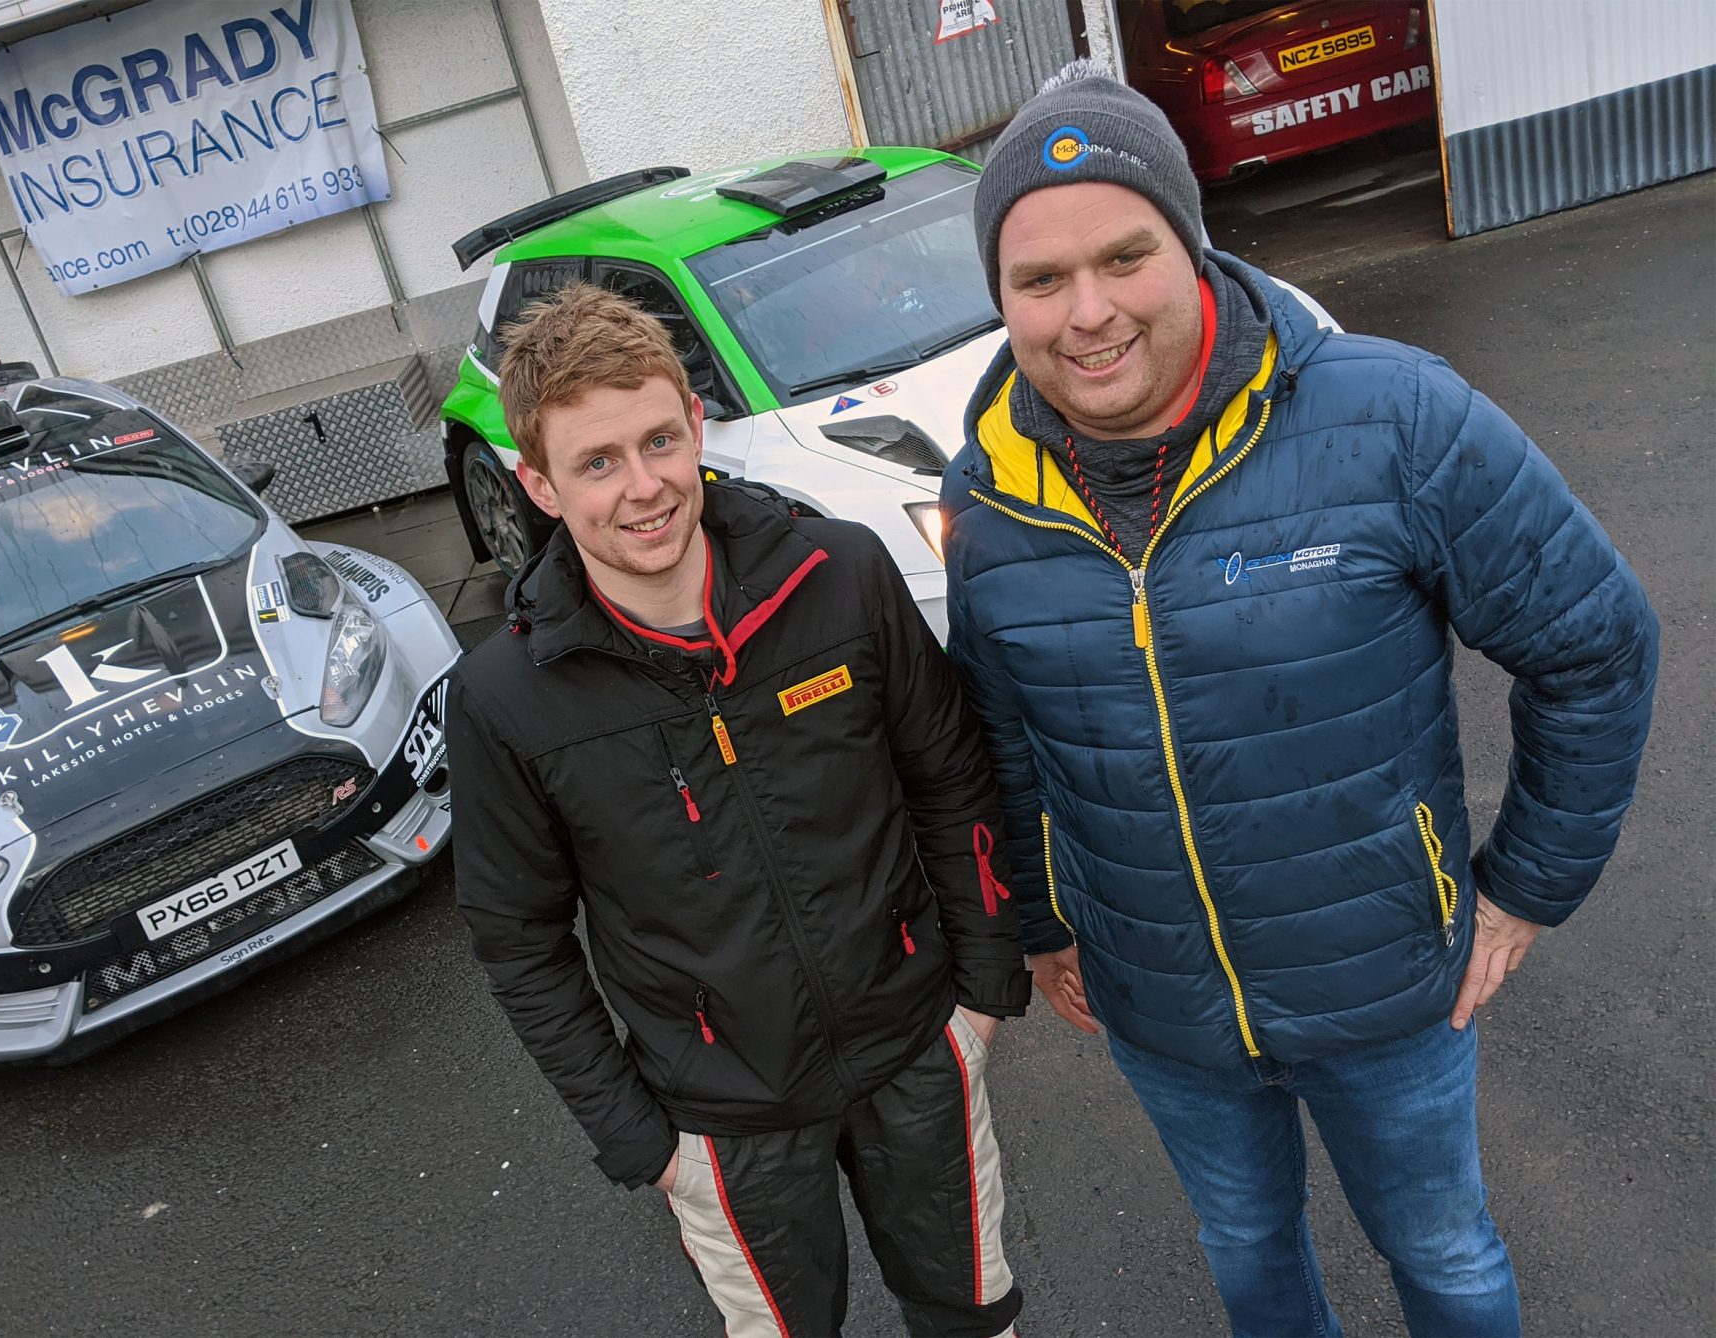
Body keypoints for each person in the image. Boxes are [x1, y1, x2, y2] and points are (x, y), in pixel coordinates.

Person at [941, 61, 1659, 1338]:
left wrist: (1525, 885)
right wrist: (1045, 923)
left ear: (1193, 246)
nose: (1085, 312)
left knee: (1440, 1252)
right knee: (1245, 1246)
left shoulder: (1388, 415)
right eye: (1037, 280)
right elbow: (1008, 732)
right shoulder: (985, 499)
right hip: (1158, 1004)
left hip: (1386, 979)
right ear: (999, 296)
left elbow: (1593, 644)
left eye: (1123, 257)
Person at [449, 282, 1030, 1336]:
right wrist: (640, 1140)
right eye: (596, 462)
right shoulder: (503, 701)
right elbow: (518, 941)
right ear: (536, 483)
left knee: (969, 1321)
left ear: (695, 424)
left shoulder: (840, 575)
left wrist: (979, 995)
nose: (644, 488)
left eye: (658, 441)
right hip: (718, 1122)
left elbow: (950, 777)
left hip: (917, 1052)